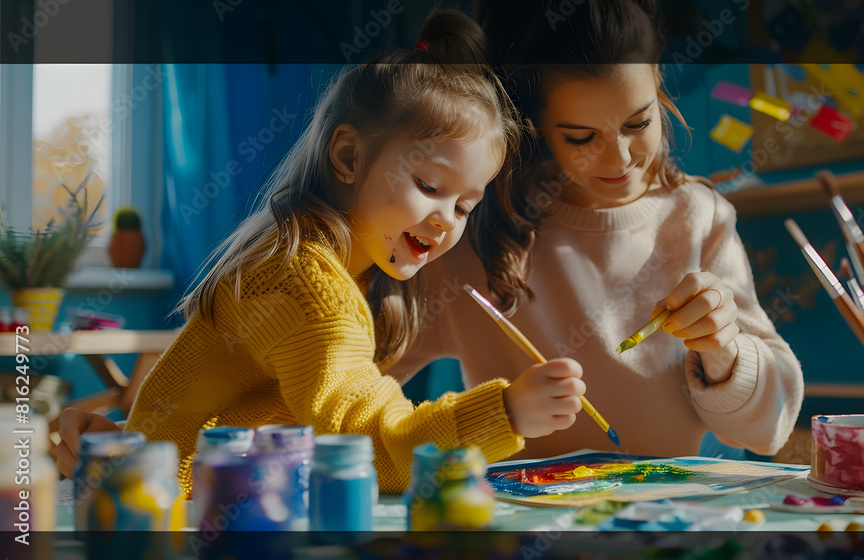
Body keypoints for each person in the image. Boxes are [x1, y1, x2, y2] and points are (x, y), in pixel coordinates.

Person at [55, 10, 586, 496]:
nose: (446, 218)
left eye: (466, 205)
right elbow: (371, 450)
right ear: (350, 155)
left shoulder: (319, 263)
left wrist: (125, 440)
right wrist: (505, 412)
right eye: (428, 184)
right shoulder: (310, 290)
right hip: (185, 511)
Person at [387, 0, 804, 460]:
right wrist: (492, 416)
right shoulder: (472, 231)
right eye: (581, 138)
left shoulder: (700, 216)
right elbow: (352, 396)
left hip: (677, 517)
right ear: (536, 125)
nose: (620, 159)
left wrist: (725, 354)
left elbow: (769, 431)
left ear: (659, 87)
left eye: (638, 122)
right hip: (522, 522)